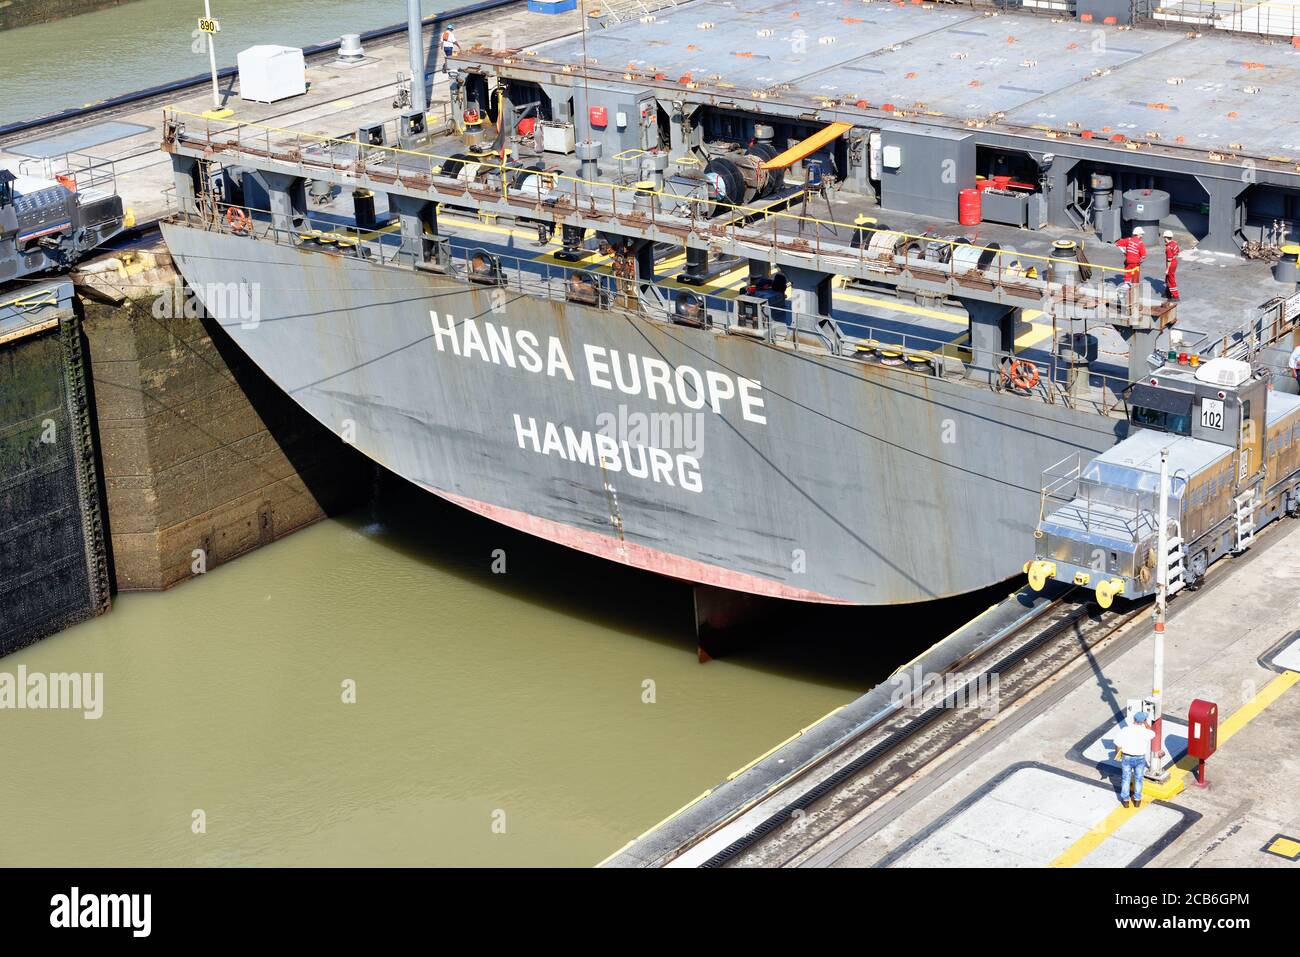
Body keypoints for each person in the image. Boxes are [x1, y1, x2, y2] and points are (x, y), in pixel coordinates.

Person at [1113, 711, 1156, 807]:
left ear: (1134, 719)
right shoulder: (1145, 732)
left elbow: (1117, 743)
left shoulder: (1125, 730)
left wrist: (1117, 754)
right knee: (1138, 779)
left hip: (1127, 757)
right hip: (1140, 758)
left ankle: (1125, 800)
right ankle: (1137, 800)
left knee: (1125, 778)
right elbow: (1152, 733)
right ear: (1143, 721)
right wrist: (1146, 723)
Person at [1162, 229, 1180, 301]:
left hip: (1171, 264)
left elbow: (1169, 260)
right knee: (1168, 278)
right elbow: (1177, 252)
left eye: (1164, 238)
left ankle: (1175, 296)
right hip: (1174, 262)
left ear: (1166, 238)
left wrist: (1167, 269)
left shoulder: (1168, 247)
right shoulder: (1174, 243)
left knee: (1171, 279)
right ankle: (1168, 292)